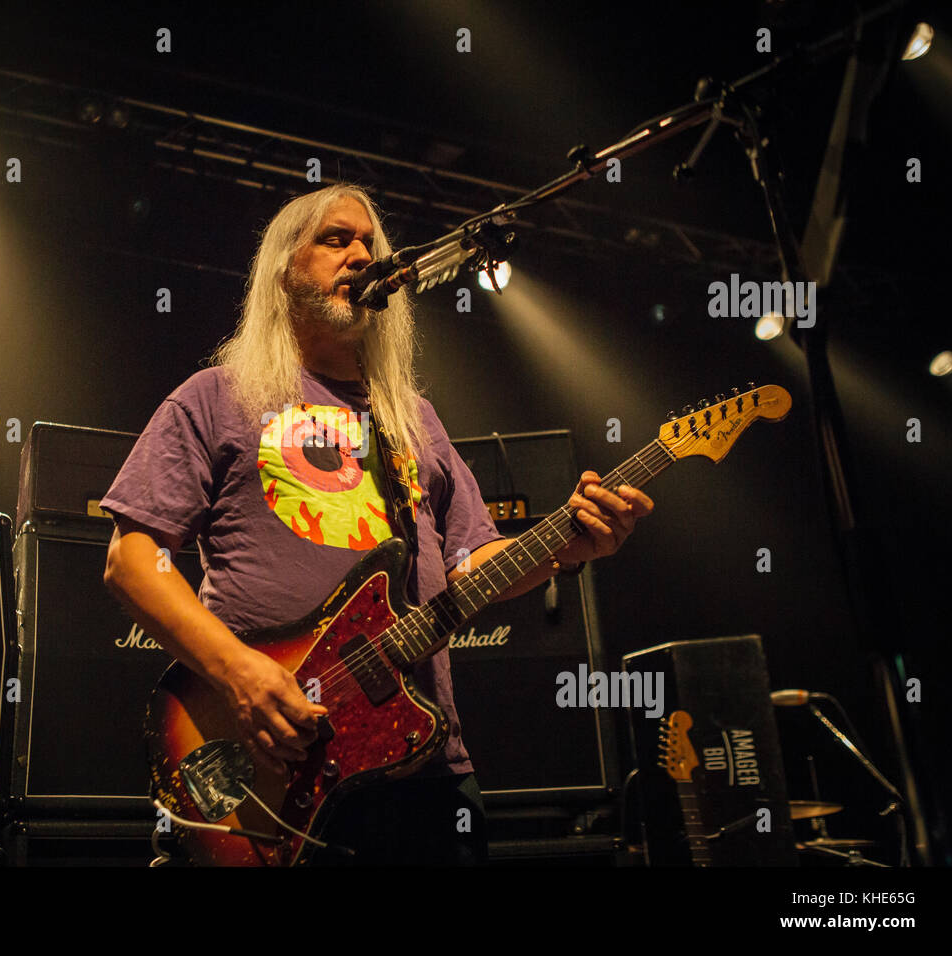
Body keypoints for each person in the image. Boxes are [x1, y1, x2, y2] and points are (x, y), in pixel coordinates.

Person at [100, 183, 653, 865]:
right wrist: (239, 672)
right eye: (336, 239)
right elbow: (132, 560)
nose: (361, 254)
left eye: (371, 243)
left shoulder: (413, 421)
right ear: (284, 268)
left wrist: (567, 545)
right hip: (272, 755)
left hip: (423, 766)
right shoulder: (216, 397)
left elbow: (471, 565)